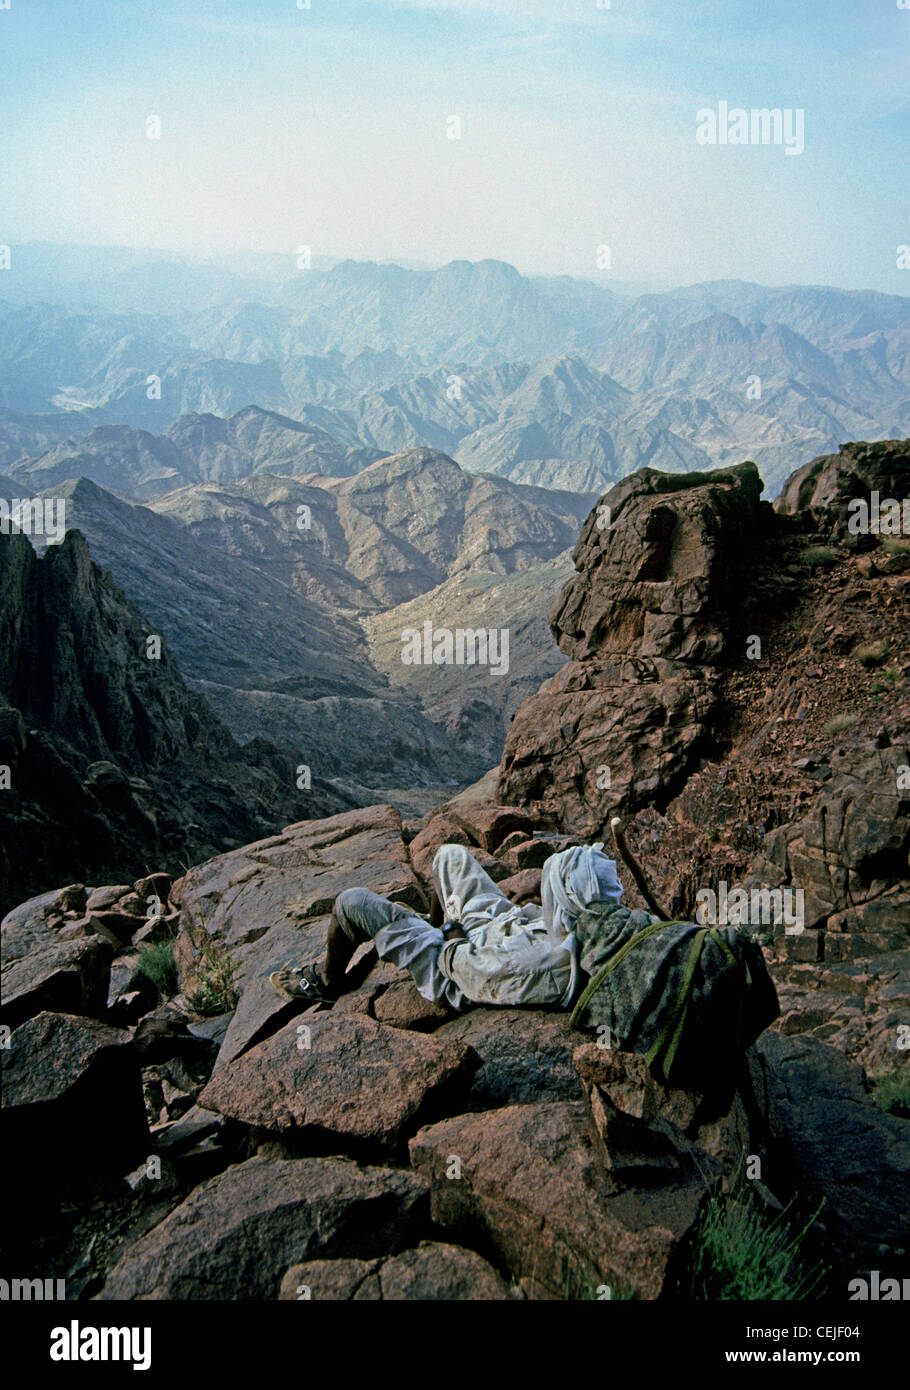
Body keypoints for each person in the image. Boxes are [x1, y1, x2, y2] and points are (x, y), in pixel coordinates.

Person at [270, 840, 623, 1011]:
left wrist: (450, 931)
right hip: (505, 929)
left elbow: (470, 971)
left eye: (553, 885)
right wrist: (543, 897)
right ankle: (428, 922)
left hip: (455, 961)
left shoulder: (541, 967)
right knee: (450, 854)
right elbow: (563, 915)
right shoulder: (594, 921)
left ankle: (327, 981)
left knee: (352, 903)